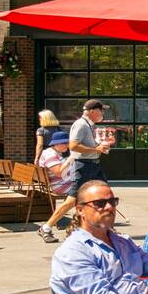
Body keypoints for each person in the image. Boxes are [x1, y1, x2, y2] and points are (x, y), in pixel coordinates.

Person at [41, 99, 115, 235]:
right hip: (83, 166)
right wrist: (96, 150)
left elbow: (88, 146)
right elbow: (73, 145)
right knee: (72, 200)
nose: (103, 113)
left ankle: (105, 227)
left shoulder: (89, 125)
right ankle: (46, 227)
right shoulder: (80, 124)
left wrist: (99, 147)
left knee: (105, 195)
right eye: (101, 110)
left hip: (94, 165)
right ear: (92, 111)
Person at [34, 131, 74, 242]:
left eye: (67, 143)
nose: (67, 145)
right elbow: (59, 172)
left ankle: (76, 228)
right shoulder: (50, 155)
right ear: (56, 144)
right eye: (65, 143)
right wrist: (71, 159)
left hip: (61, 183)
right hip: (59, 185)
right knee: (85, 194)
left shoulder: (53, 153)